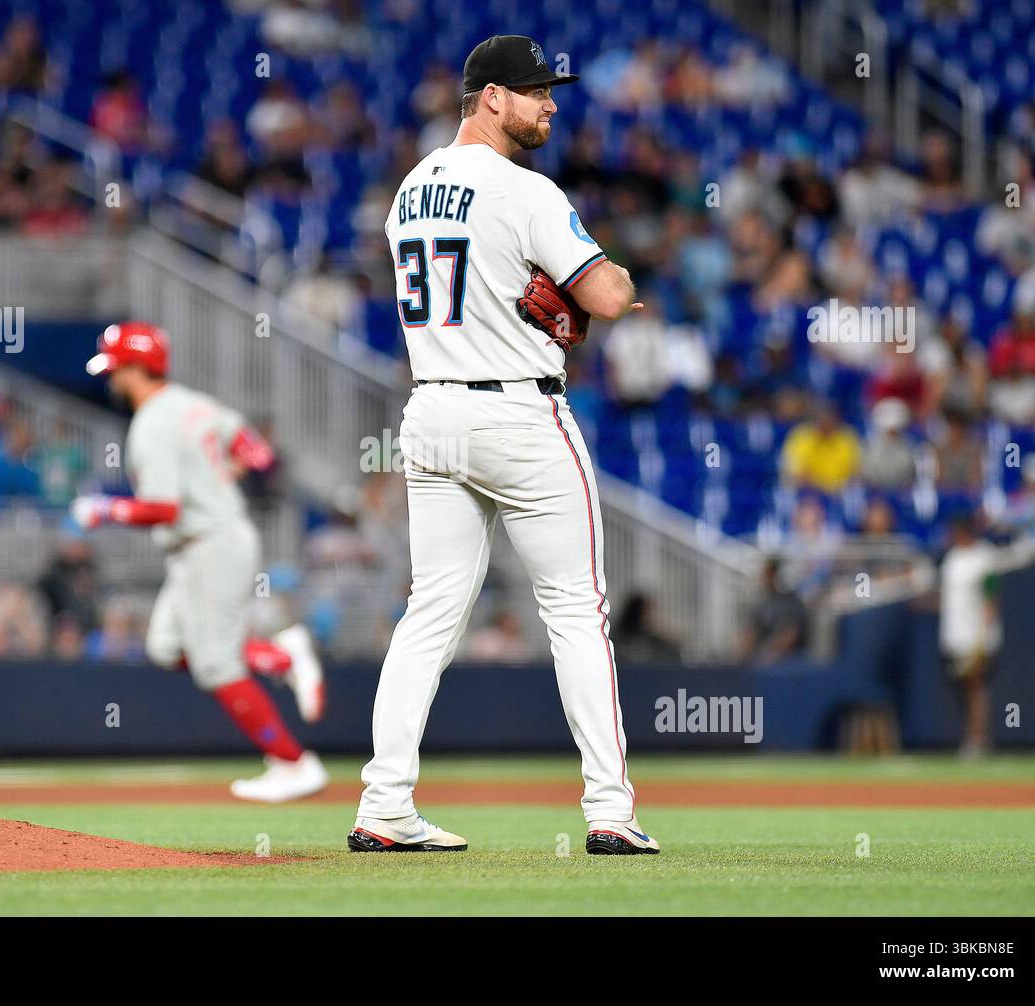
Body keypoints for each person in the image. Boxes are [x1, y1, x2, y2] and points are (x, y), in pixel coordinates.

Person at [350, 35, 658, 856]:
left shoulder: (408, 190)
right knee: (575, 611)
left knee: (428, 614)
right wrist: (603, 288)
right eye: (534, 91)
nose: (550, 103)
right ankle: (609, 811)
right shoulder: (524, 189)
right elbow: (609, 296)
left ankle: (383, 804)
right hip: (518, 412)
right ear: (491, 97)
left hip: (432, 409)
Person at [72, 322, 327, 802]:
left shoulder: (150, 424)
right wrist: (218, 473)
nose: (111, 379)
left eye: (117, 368)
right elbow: (260, 454)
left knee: (216, 667)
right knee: (166, 647)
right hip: (208, 541)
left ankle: (293, 764)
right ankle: (279, 657)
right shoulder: (193, 403)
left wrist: (106, 509)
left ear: (134, 366)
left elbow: (164, 509)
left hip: (209, 543)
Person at [938, 515, 1002, 758]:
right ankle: (970, 737)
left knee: (977, 687)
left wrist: (983, 636)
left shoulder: (985, 557)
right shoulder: (952, 557)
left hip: (977, 634)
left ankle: (979, 739)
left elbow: (991, 596)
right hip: (954, 634)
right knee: (962, 689)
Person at [737, 557, 808, 665]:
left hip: (790, 658)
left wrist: (770, 654)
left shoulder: (792, 602)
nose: (766, 578)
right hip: (763, 656)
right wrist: (743, 656)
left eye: (771, 574)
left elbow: (791, 634)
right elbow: (750, 633)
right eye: (765, 574)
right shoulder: (760, 603)